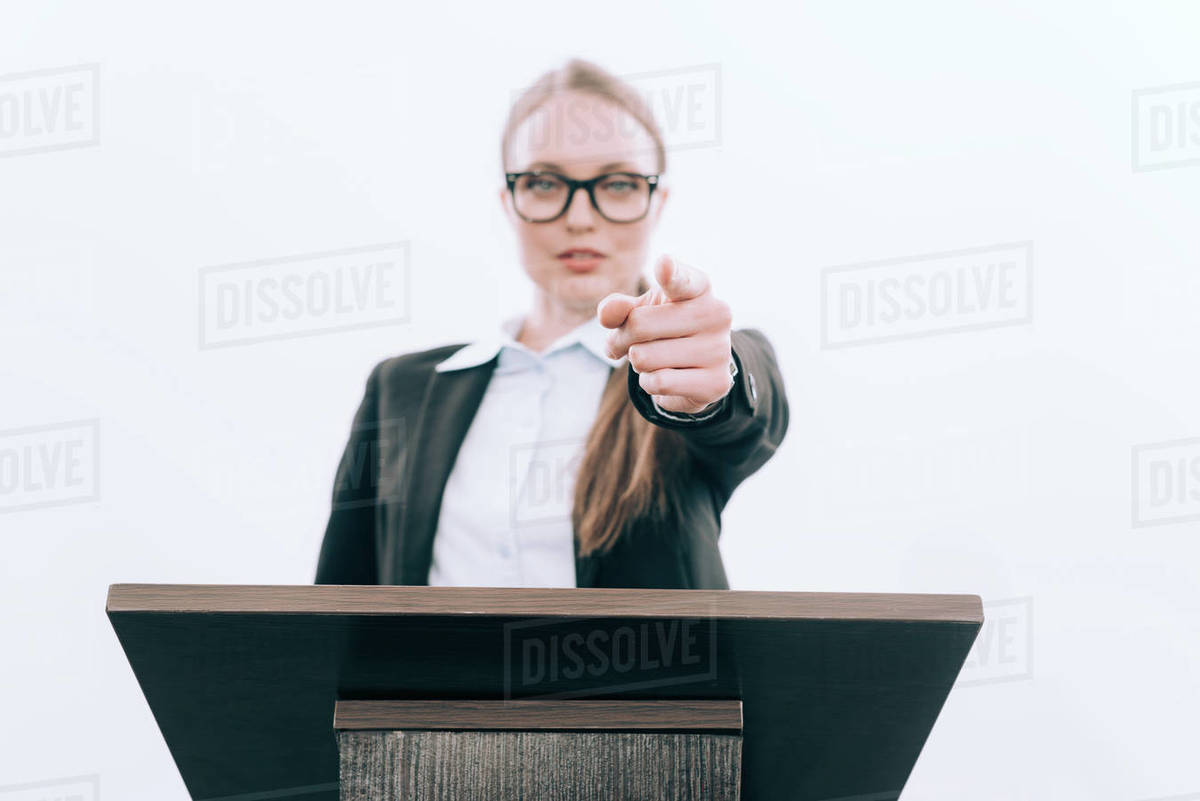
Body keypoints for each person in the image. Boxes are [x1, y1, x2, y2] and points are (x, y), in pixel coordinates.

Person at [314, 58, 788, 590]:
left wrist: (712, 377)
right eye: (543, 182)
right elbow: (341, 608)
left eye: (617, 183)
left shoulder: (676, 368)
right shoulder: (398, 389)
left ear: (656, 202)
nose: (580, 216)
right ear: (509, 202)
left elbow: (746, 407)